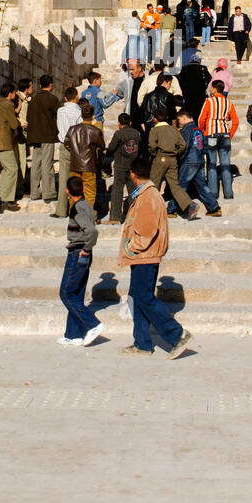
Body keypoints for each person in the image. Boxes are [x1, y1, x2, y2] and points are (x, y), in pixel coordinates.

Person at [118, 158, 194, 359]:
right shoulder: (147, 194)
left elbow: (147, 230)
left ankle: (178, 335)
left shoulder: (147, 196)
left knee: (144, 297)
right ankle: (142, 343)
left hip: (145, 255)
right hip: (143, 255)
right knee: (138, 296)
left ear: (133, 174)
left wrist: (132, 247)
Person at [57, 176, 103, 347]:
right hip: (82, 253)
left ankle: (92, 324)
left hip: (78, 252)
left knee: (66, 293)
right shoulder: (87, 205)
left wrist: (87, 248)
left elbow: (91, 231)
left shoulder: (78, 208)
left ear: (67, 191)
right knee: (76, 293)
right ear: (83, 190)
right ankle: (73, 334)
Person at [171, 109, 221, 216]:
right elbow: (205, 146)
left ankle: (171, 209)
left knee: (180, 186)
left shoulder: (186, 130)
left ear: (184, 118)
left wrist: (180, 158)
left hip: (189, 161)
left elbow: (184, 146)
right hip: (199, 160)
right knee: (202, 186)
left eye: (179, 119)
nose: (179, 122)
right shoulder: (198, 129)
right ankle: (214, 207)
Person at [148, 114, 198, 219]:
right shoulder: (174, 129)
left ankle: (152, 210)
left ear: (155, 119)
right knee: (175, 185)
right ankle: (189, 204)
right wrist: (176, 153)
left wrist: (153, 154)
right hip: (173, 159)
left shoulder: (154, 130)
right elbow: (183, 145)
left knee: (153, 184)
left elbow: (152, 145)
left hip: (160, 158)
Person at [198, 79, 239, 201]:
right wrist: (229, 135)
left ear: (215, 89)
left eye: (211, 88)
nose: (210, 90)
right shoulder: (228, 103)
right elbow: (235, 121)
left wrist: (203, 132)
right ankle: (228, 193)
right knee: (225, 165)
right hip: (225, 134)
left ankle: (213, 193)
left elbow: (201, 119)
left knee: (211, 164)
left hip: (211, 134)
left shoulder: (209, 102)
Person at [64, 99, 106, 213]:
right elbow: (102, 146)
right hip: (89, 164)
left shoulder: (72, 129)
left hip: (75, 163)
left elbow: (67, 144)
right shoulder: (95, 131)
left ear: (81, 115)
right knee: (90, 191)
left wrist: (75, 153)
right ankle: (88, 214)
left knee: (74, 190)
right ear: (93, 116)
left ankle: (74, 212)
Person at [27, 74, 60, 203]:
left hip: (35, 136)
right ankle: (48, 192)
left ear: (40, 85)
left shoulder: (33, 100)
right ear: (51, 84)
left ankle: (34, 192)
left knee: (36, 164)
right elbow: (56, 117)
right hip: (47, 135)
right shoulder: (52, 99)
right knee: (47, 164)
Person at [0, 83, 21, 211]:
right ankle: (8, 199)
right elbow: (14, 125)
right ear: (10, 93)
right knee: (13, 168)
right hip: (4, 142)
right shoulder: (8, 105)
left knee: (7, 170)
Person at [105, 112, 142, 223]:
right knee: (133, 191)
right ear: (130, 122)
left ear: (119, 123)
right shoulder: (137, 133)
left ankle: (115, 217)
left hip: (120, 165)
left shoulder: (118, 134)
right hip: (133, 166)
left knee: (117, 191)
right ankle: (133, 216)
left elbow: (111, 148)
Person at [54, 86, 82, 218]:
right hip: (77, 146)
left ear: (65, 98)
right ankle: (75, 208)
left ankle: (61, 210)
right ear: (77, 97)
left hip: (64, 145)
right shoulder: (80, 112)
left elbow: (59, 126)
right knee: (76, 177)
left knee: (63, 177)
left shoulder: (60, 111)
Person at [179, 43, 211, 121]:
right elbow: (209, 78)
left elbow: (180, 79)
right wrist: (204, 86)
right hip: (200, 93)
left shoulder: (185, 68)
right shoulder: (203, 68)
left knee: (189, 110)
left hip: (188, 93)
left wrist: (184, 88)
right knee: (199, 110)